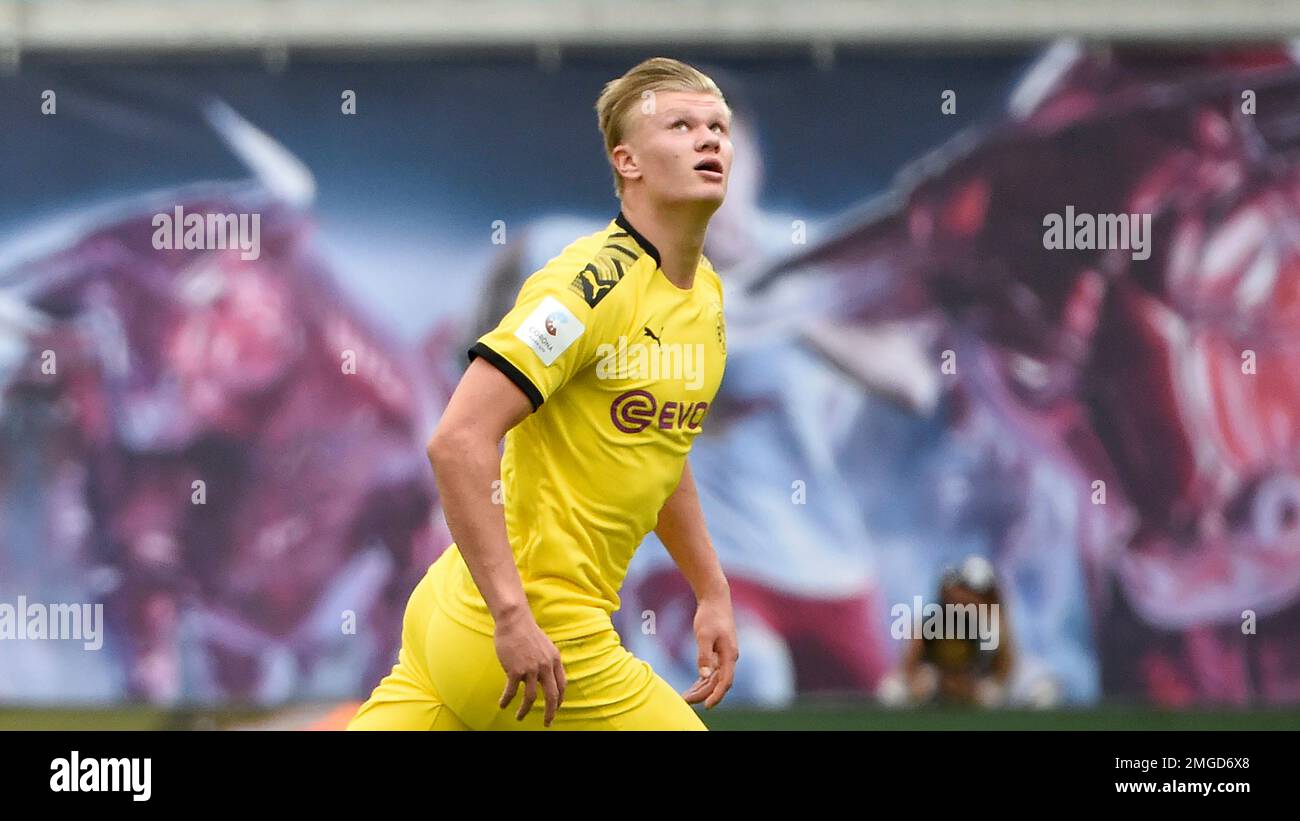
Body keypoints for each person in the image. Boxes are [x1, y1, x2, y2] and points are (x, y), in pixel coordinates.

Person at [348, 57, 739, 730]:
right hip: (531, 630)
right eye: (681, 125)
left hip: (452, 611)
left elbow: (661, 453)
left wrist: (711, 589)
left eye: (717, 127)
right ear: (629, 161)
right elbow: (457, 440)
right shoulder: (588, 286)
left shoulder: (704, 294)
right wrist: (510, 617)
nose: (709, 139)